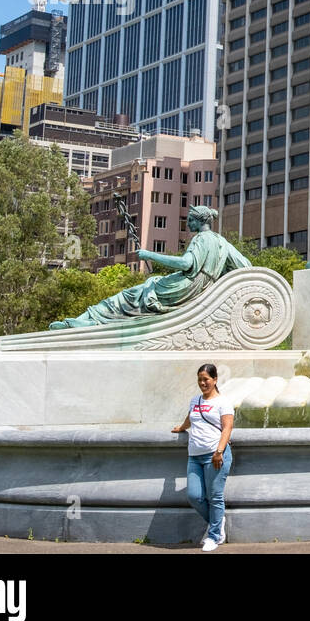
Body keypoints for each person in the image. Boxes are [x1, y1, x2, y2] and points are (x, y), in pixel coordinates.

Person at [50, 205, 250, 329]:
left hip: (186, 286)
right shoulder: (221, 241)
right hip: (201, 287)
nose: (187, 223)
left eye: (190, 220)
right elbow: (246, 266)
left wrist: (148, 255)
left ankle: (91, 320)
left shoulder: (201, 239)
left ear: (199, 221)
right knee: (142, 289)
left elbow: (186, 264)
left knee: (130, 295)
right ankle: (88, 319)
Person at [172, 363, 233, 551]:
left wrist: (219, 451)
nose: (202, 383)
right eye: (200, 379)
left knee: (214, 497)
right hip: (195, 456)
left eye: (206, 379)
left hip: (215, 455)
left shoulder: (223, 402)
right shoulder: (195, 400)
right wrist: (181, 428)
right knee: (194, 496)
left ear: (215, 380)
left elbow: (227, 428)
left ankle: (214, 536)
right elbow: (191, 418)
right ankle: (217, 521)